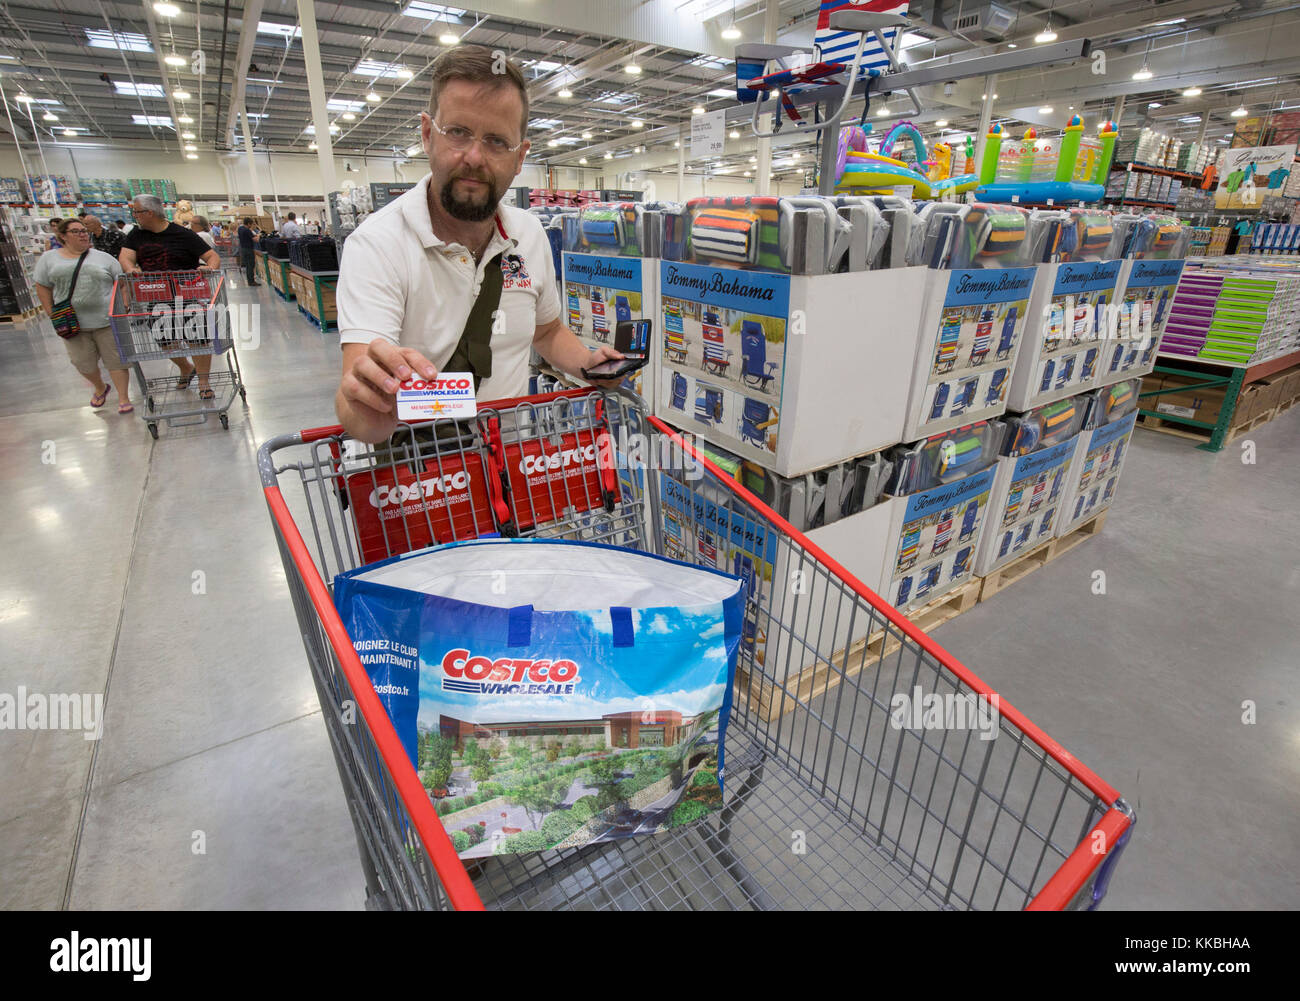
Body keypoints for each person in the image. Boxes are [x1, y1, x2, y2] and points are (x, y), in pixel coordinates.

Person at [335, 44, 624, 444]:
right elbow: (361, 404)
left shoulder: (530, 235)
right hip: (422, 481)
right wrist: (366, 407)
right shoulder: (377, 245)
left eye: (496, 141)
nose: (474, 156)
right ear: (426, 134)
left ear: (520, 157)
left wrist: (589, 364)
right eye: (457, 133)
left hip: (509, 470)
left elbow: (547, 330)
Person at [120, 194, 222, 400]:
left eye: (137, 212)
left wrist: (210, 268)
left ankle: (204, 381)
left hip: (189, 295)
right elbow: (125, 256)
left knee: (198, 339)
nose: (134, 216)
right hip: (156, 296)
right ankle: (185, 367)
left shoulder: (182, 234)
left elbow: (212, 256)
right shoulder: (136, 235)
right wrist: (130, 268)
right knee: (165, 341)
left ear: (149, 213)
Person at [32, 219, 133, 413]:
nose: (82, 234)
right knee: (82, 363)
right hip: (72, 321)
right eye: (76, 231)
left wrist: (124, 304)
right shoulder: (49, 259)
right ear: (63, 236)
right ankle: (100, 387)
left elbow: (121, 283)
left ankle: (123, 398)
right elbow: (42, 285)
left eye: (84, 231)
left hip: (107, 319)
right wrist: (50, 311)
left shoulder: (103, 258)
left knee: (116, 360)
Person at [236, 216, 261, 286]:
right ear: (248, 224)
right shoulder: (247, 230)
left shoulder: (240, 229)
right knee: (251, 265)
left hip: (243, 249)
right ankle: (251, 281)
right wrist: (259, 235)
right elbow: (255, 239)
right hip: (249, 250)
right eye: (251, 224)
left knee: (248, 266)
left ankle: (250, 280)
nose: (251, 226)